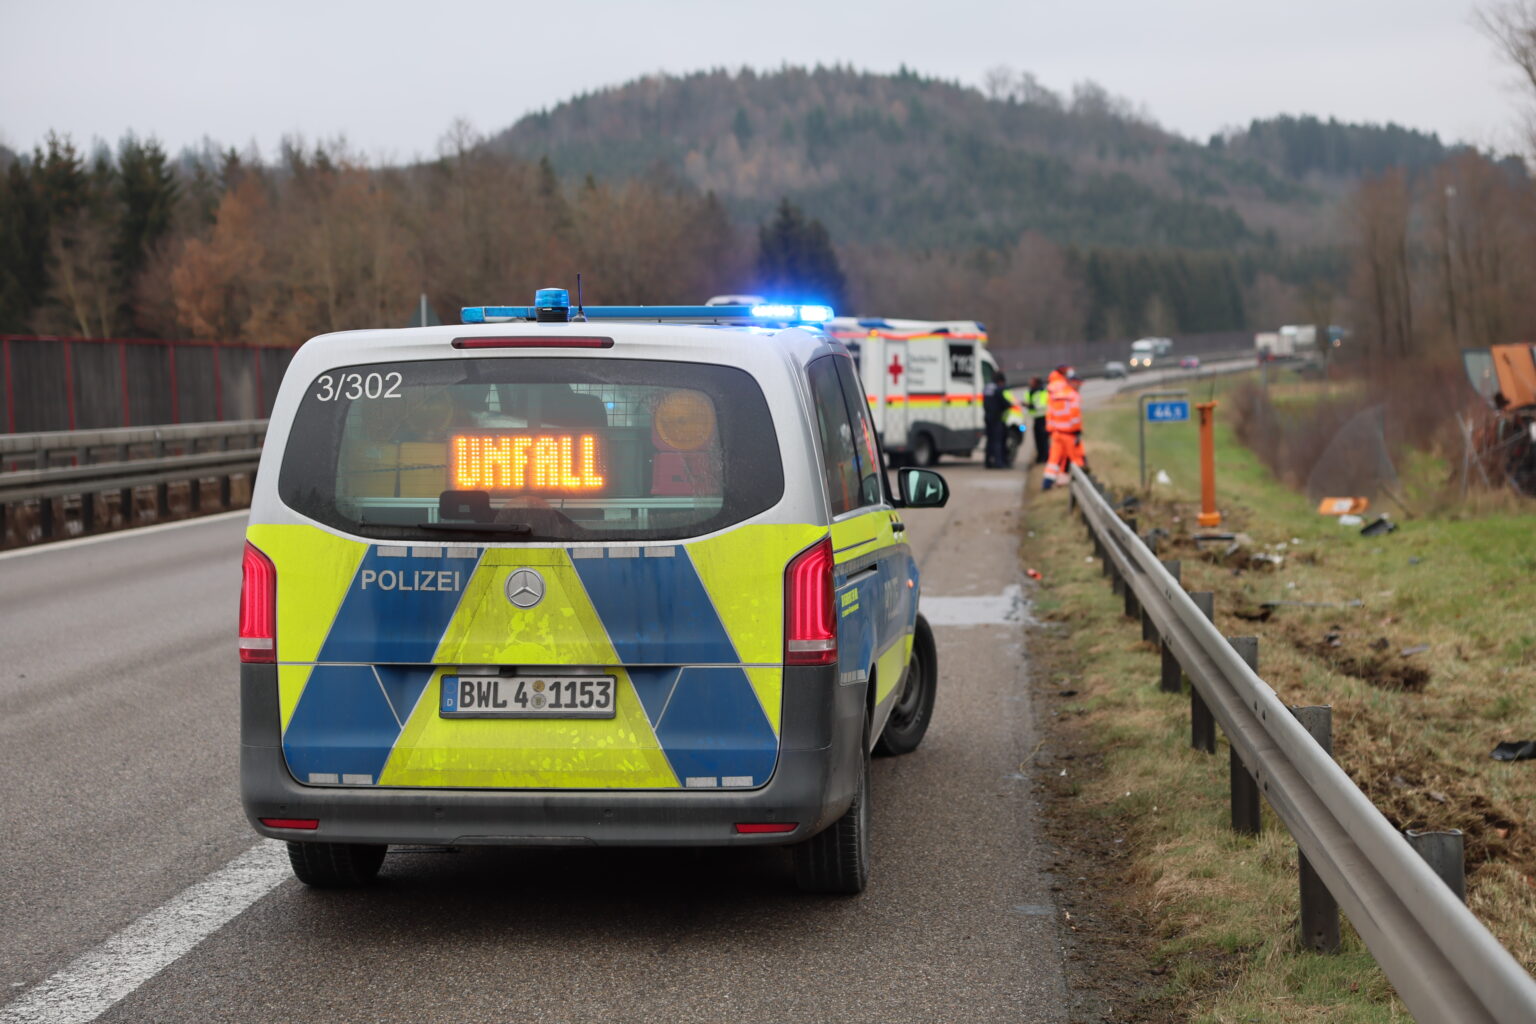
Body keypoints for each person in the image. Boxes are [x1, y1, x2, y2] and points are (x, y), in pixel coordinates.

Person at [1042, 367, 1086, 489]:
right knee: (1077, 458)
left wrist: (1050, 429)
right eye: (1078, 384)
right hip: (1070, 433)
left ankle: (1047, 484)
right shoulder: (1073, 396)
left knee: (1054, 460)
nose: (1079, 387)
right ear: (1073, 382)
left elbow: (1050, 412)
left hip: (1056, 433)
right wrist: (1077, 431)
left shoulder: (1056, 395)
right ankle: (1083, 483)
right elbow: (1075, 416)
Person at [983, 369, 1010, 469]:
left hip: (987, 417)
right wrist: (1010, 405)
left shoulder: (987, 387)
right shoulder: (998, 389)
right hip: (996, 418)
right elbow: (1004, 403)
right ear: (1000, 381)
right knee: (997, 441)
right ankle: (999, 463)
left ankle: (987, 462)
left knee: (989, 441)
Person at [1027, 375, 1049, 465]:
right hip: (1036, 419)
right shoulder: (1032, 392)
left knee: (1043, 440)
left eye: (1031, 381)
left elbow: (1042, 405)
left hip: (1043, 418)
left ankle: (1045, 457)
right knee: (1038, 440)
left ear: (1036, 383)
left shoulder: (1043, 392)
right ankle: (1040, 457)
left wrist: (1031, 406)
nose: (1029, 383)